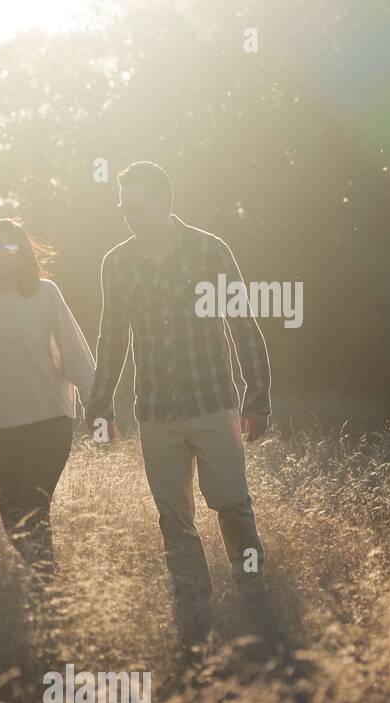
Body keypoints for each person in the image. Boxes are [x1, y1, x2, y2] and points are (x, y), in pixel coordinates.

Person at [84, 161, 272, 643]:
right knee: (174, 519)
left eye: (138, 207)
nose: (129, 216)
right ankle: (196, 611)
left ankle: (253, 594)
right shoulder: (116, 263)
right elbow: (111, 338)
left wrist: (258, 394)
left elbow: (241, 322)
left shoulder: (211, 250)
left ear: (165, 202)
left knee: (231, 502)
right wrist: (100, 401)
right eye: (123, 208)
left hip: (213, 402)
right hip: (155, 413)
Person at [0, 218, 95, 578]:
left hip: (50, 419)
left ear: (22, 255)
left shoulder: (45, 294)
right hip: (0, 429)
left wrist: (98, 407)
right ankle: (42, 584)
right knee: (13, 518)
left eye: (10, 249)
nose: (1, 256)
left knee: (34, 505)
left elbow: (75, 354)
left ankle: (47, 591)